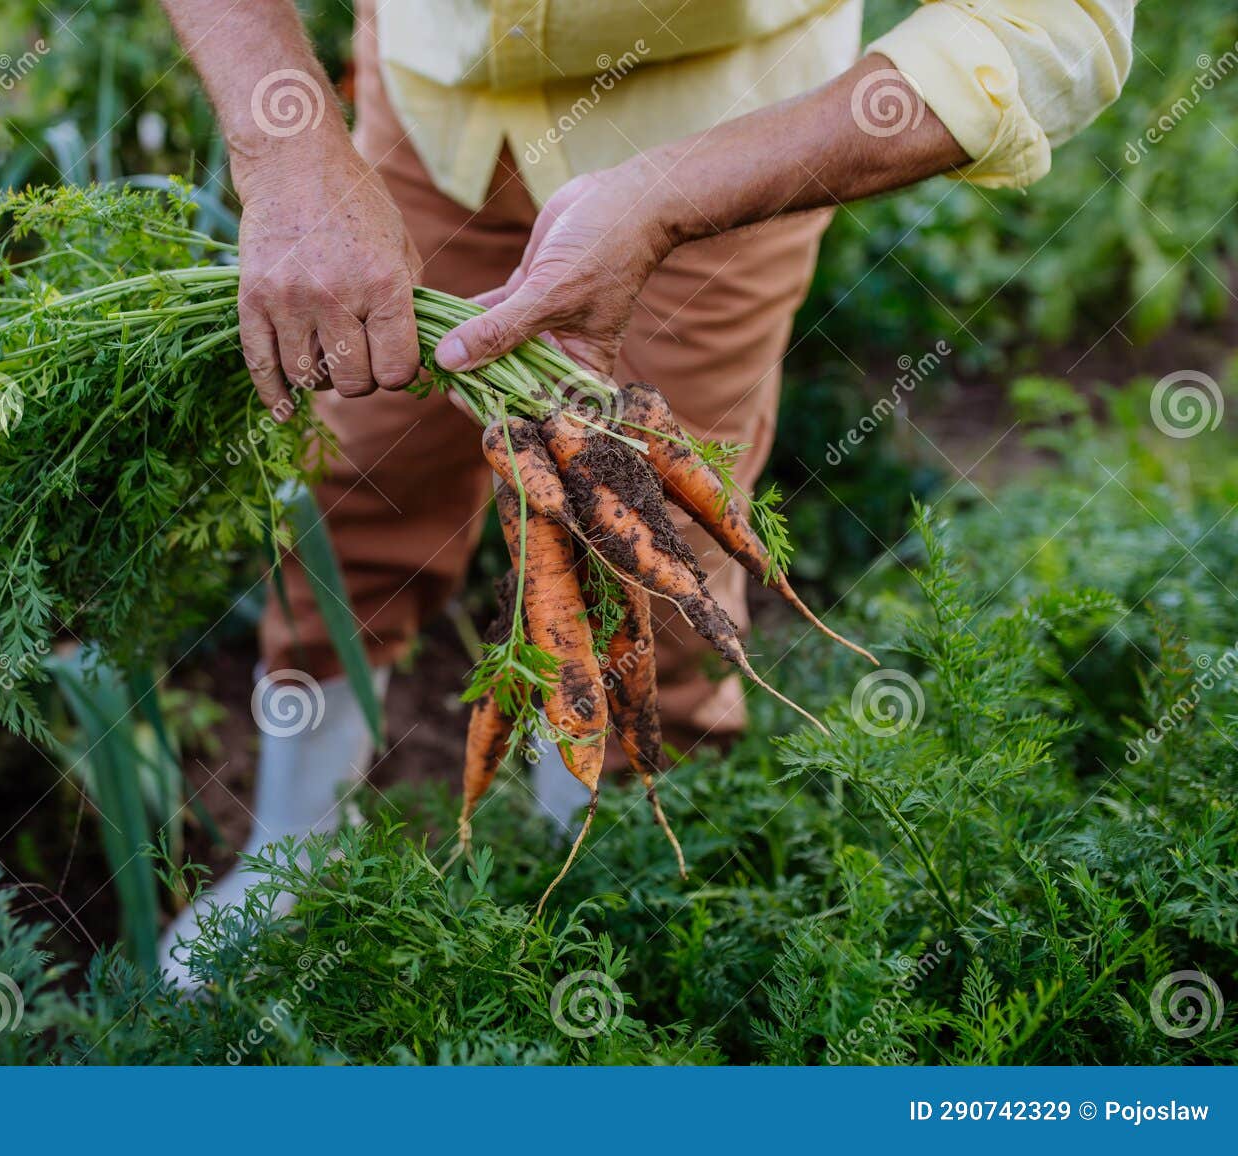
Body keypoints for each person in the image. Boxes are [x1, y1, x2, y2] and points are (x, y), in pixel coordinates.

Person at [157, 0, 1135, 981]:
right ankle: (293, 846)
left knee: (646, 576)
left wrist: (668, 199)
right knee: (350, 501)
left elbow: (1060, 24)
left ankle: (583, 900)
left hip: (723, 128)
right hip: (435, 94)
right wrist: (288, 156)